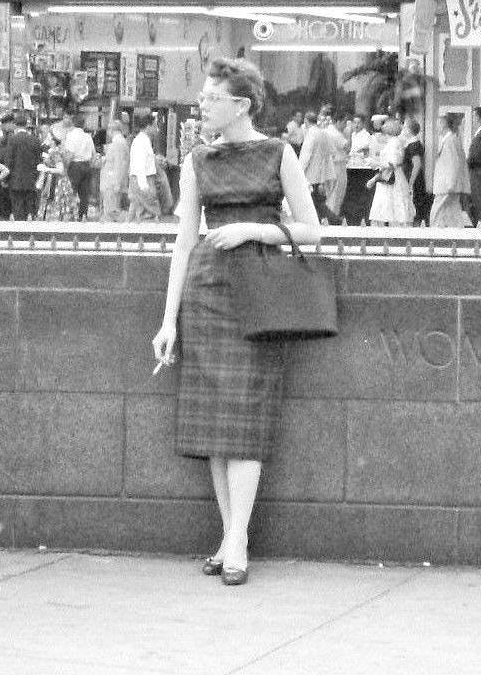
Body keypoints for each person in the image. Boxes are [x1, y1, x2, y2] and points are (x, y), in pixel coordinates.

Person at [150, 57, 322, 587]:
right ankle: (230, 539)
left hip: (258, 293)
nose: (202, 105)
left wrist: (255, 229)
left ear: (241, 105)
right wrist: (168, 320)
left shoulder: (279, 152)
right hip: (206, 292)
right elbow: (183, 240)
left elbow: (312, 230)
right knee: (215, 430)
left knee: (244, 426)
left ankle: (238, 540)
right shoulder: (197, 159)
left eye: (211, 98)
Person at [299, 109, 344, 225]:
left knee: (316, 204)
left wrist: (299, 172)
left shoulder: (311, 134)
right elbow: (332, 152)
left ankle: (337, 221)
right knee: (317, 203)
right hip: (323, 175)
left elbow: (305, 156)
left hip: (311, 176)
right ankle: (323, 223)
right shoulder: (323, 133)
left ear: (306, 121)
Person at [430, 112, 471, 228]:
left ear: (443, 124)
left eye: (438, 124)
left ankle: (433, 236)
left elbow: (453, 163)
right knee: (453, 214)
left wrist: (450, 185)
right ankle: (456, 235)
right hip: (449, 186)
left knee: (437, 212)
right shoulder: (452, 139)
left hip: (446, 186)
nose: (436, 127)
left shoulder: (450, 141)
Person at [0, 114, 42, 221]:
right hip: (31, 180)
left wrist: (5, 179)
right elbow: (38, 161)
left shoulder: (12, 140)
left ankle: (19, 233)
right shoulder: (35, 140)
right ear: (26, 125)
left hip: (15, 181)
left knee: (17, 208)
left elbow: (9, 160)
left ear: (15, 125)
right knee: (30, 209)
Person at [59, 111, 96, 220]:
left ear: (73, 123)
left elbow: (69, 155)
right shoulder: (88, 137)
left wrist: (65, 167)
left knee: (71, 192)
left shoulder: (71, 136)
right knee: (84, 194)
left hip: (75, 166)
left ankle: (70, 215)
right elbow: (94, 154)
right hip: (86, 166)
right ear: (84, 124)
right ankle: (83, 216)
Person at [128, 113, 163, 221]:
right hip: (143, 179)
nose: (156, 129)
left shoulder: (144, 140)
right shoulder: (141, 141)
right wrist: (143, 185)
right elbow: (139, 164)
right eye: (154, 126)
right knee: (149, 211)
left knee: (137, 208)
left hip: (141, 179)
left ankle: (129, 228)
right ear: (148, 126)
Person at [402, 119, 430, 226]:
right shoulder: (411, 143)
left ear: (409, 130)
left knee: (415, 204)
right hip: (412, 177)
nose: (403, 130)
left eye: (405, 127)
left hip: (414, 178)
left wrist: (410, 183)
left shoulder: (414, 145)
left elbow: (417, 164)